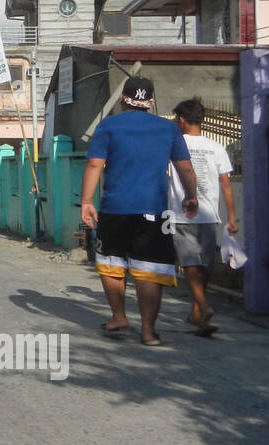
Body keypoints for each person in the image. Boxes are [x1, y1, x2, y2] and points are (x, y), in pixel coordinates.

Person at [80, 76, 198, 347]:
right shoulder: (168, 130)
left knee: (111, 265)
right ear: (151, 102)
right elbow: (185, 169)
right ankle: (148, 331)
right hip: (154, 209)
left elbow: (95, 165)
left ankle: (119, 317)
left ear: (123, 99)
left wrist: (87, 201)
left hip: (115, 208)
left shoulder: (108, 126)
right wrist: (191, 196)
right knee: (149, 269)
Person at [168, 97, 237, 337]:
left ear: (182, 120)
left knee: (189, 265)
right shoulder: (216, 147)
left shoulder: (174, 144)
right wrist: (232, 216)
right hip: (210, 215)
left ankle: (203, 307)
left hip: (182, 213)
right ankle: (199, 314)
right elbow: (226, 184)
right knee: (204, 266)